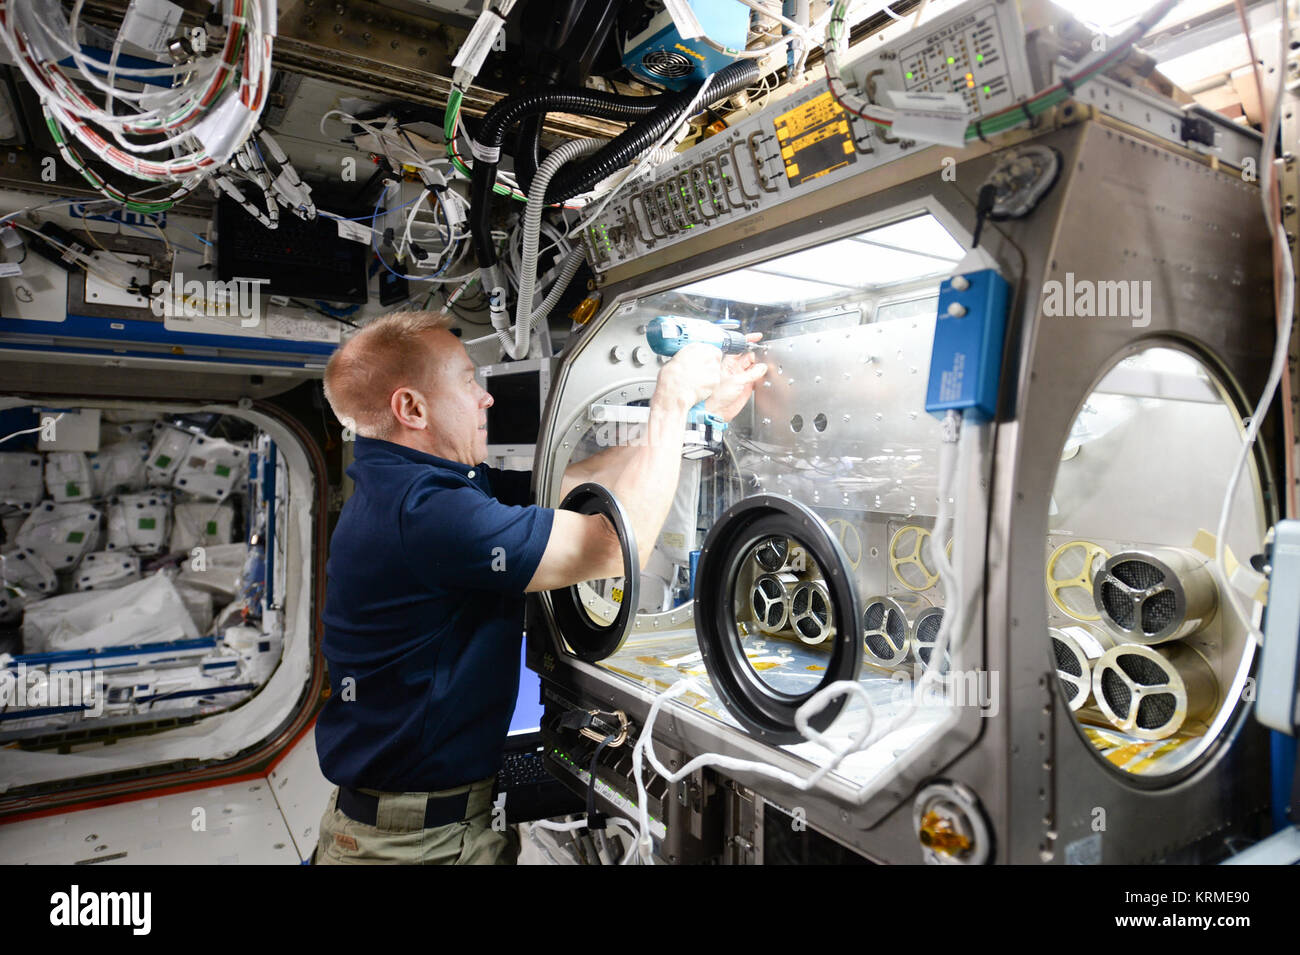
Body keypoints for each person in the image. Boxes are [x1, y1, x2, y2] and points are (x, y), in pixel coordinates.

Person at [312, 310, 766, 864]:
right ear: (411, 408)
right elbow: (613, 550)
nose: (487, 399)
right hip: (415, 846)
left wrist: (703, 418)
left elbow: (571, 483)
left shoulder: (420, 486)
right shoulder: (427, 513)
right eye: (467, 381)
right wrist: (669, 401)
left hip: (423, 824)